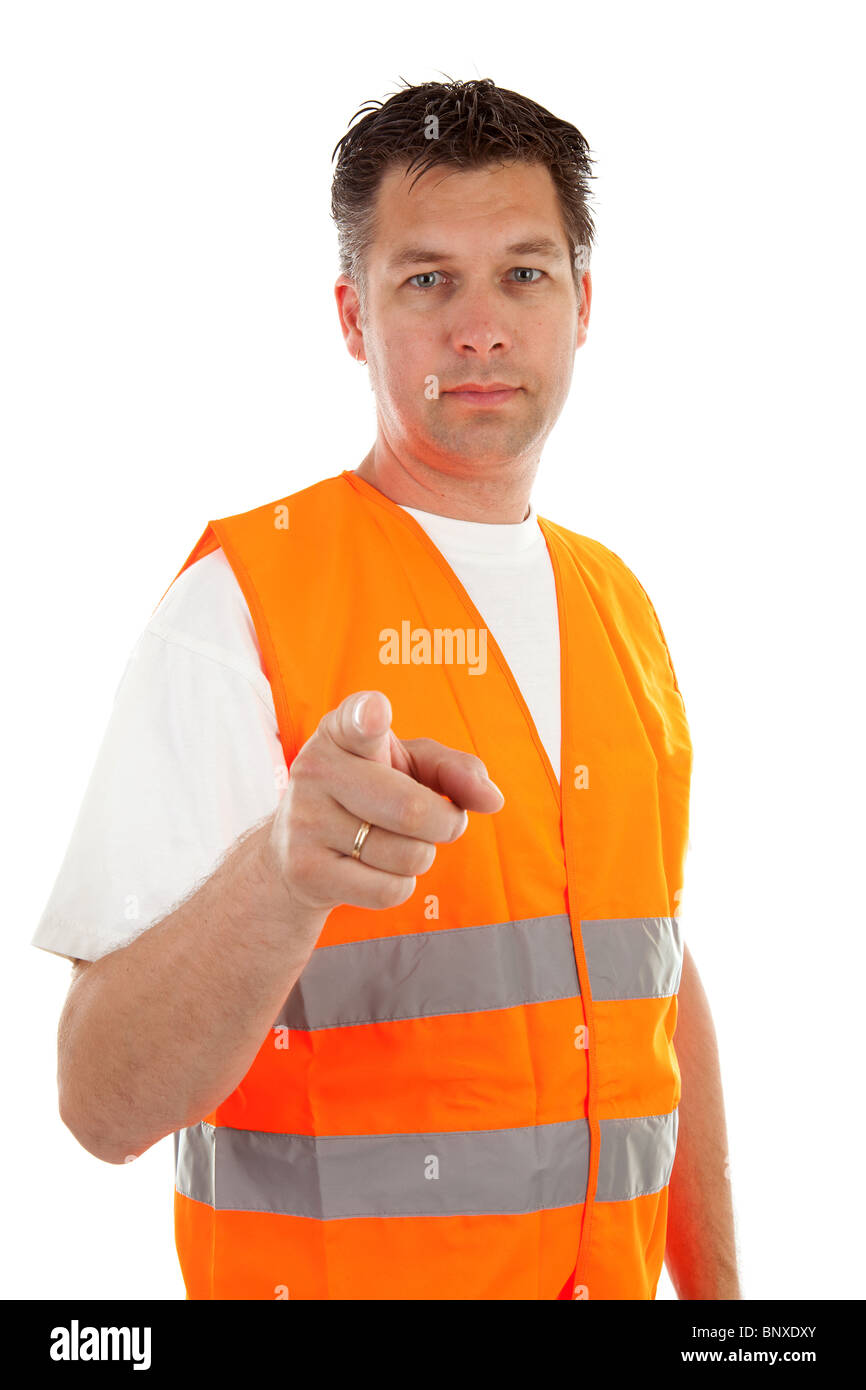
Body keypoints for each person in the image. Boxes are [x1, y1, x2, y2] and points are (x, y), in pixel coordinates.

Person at [33, 77, 739, 1301]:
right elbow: (100, 1102)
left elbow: (654, 986)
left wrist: (722, 1311)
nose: (480, 326)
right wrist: (282, 871)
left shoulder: (618, 605)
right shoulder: (241, 603)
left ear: (582, 307)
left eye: (523, 273)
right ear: (354, 317)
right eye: (427, 280)